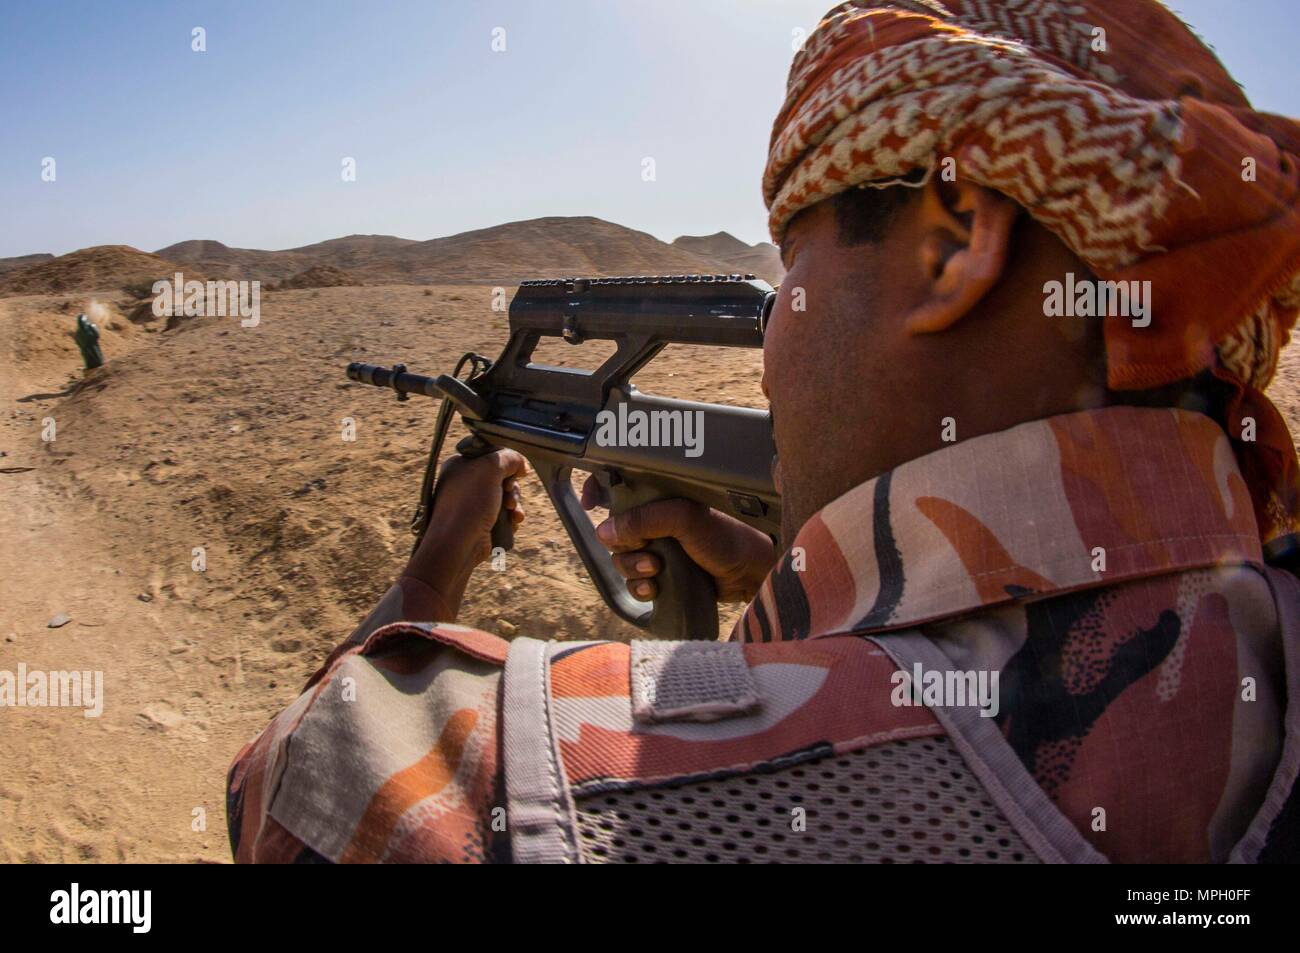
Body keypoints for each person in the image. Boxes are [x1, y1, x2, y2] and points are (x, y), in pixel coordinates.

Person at [228, 0, 1300, 863]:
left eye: (795, 263)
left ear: (955, 242)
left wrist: (439, 557)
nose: (773, 331)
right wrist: (773, 581)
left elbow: (295, 776)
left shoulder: (494, 790)